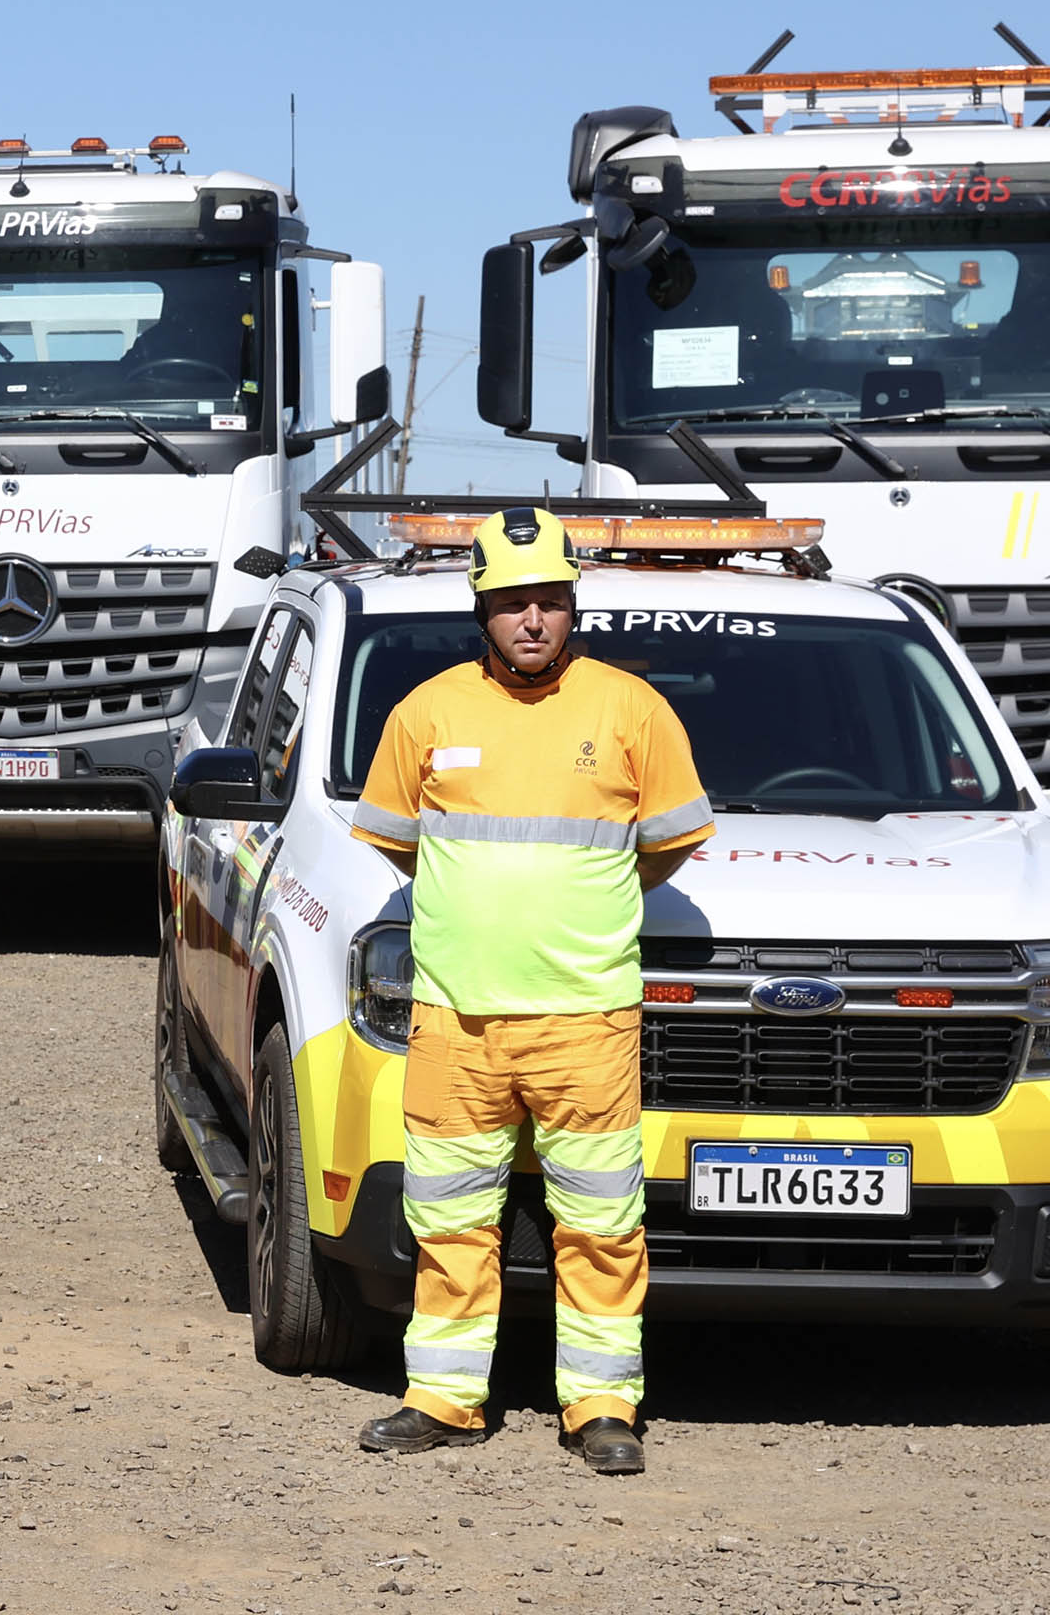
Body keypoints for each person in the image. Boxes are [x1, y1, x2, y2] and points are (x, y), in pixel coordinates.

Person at [346, 506, 710, 1475]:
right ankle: (443, 1398)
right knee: (448, 1221)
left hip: (585, 1020)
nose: (534, 619)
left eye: (549, 599)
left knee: (601, 1226)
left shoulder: (632, 711)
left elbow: (668, 843)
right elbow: (398, 841)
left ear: (573, 604)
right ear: (482, 610)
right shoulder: (426, 713)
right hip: (456, 1019)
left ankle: (602, 1407)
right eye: (513, 602)